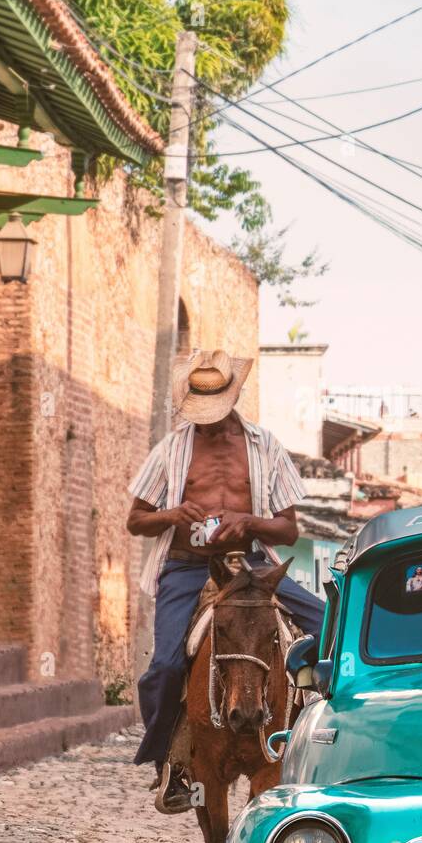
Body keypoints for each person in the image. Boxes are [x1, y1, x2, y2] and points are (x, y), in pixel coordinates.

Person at [127, 348, 324, 813]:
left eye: (215, 412)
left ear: (232, 399)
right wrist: (171, 514)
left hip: (250, 565)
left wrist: (249, 522)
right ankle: (169, 765)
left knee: (329, 624)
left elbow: (288, 528)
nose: (209, 422)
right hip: (187, 568)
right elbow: (136, 520)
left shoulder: (264, 447)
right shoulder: (172, 449)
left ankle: (316, 739)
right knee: (166, 667)